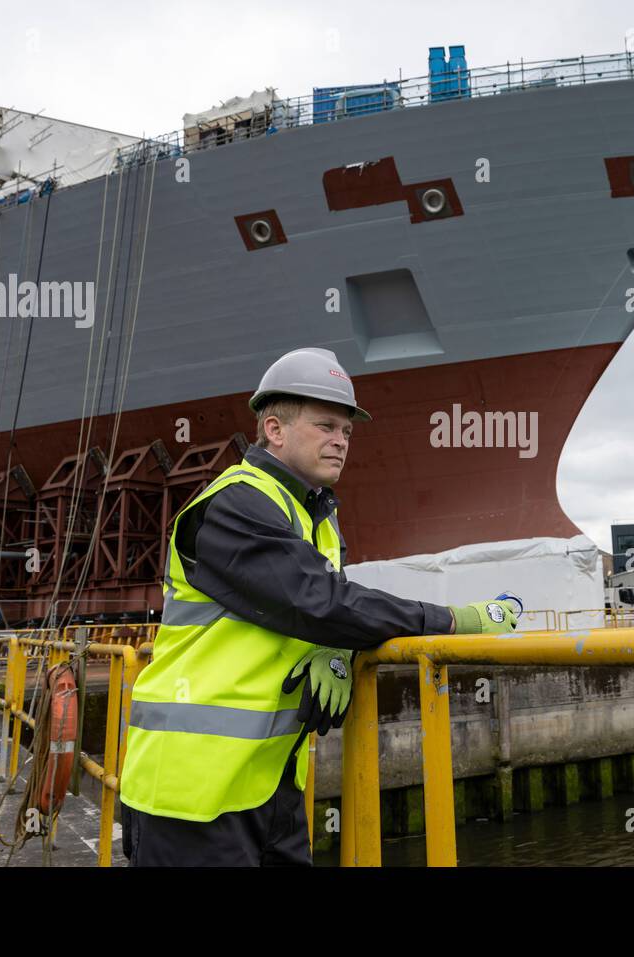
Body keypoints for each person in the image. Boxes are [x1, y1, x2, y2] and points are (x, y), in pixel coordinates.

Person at [118, 347, 518, 866]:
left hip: (269, 780)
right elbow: (320, 602)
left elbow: (314, 613)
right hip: (190, 790)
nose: (341, 441)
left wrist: (338, 650)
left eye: (347, 432)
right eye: (326, 426)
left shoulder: (317, 518)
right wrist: (454, 619)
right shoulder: (236, 504)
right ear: (275, 430)